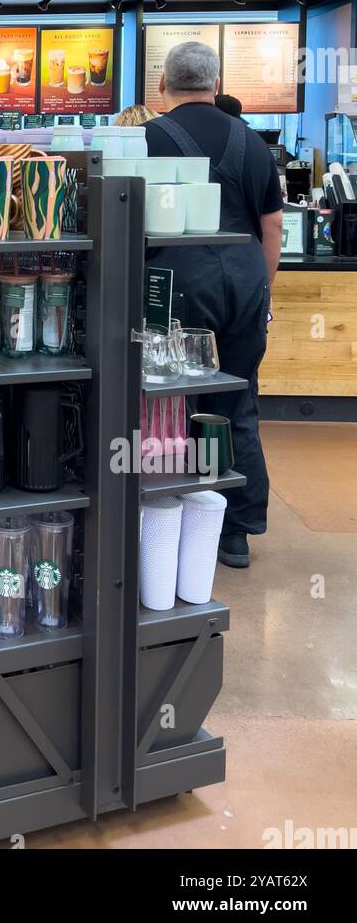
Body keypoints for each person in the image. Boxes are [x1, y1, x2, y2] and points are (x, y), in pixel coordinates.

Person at [146, 42, 283, 568]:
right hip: (246, 279)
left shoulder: (148, 139)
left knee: (172, 399)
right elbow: (272, 226)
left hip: (178, 279)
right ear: (217, 83)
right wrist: (260, 287)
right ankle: (237, 531)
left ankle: (176, 518)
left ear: (163, 84)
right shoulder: (252, 141)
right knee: (238, 397)